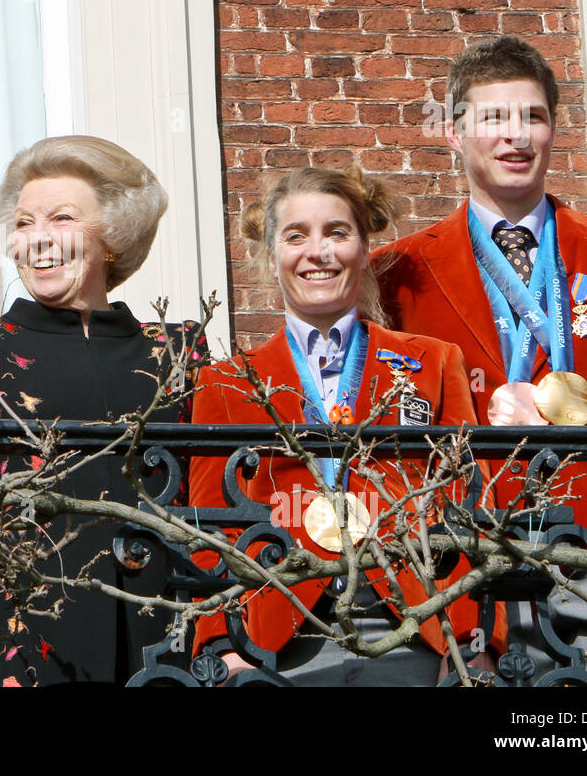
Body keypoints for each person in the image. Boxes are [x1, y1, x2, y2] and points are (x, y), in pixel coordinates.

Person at [375, 35, 587, 685]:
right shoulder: (396, 276)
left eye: (534, 116)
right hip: (464, 570)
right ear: (455, 134)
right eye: (494, 117)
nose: (517, 135)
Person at [0, 134, 205, 686]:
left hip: (159, 637)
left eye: (62, 217)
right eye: (23, 224)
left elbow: (206, 496)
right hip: (17, 635)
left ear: (113, 236)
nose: (39, 238)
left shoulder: (177, 351)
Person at [189, 165, 496, 685]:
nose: (319, 251)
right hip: (276, 636)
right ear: (272, 256)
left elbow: (466, 507)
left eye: (337, 232)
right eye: (296, 236)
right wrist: (223, 645)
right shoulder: (225, 382)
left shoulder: (437, 362)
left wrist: (473, 640)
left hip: (415, 626)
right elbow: (209, 526)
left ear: (363, 247)